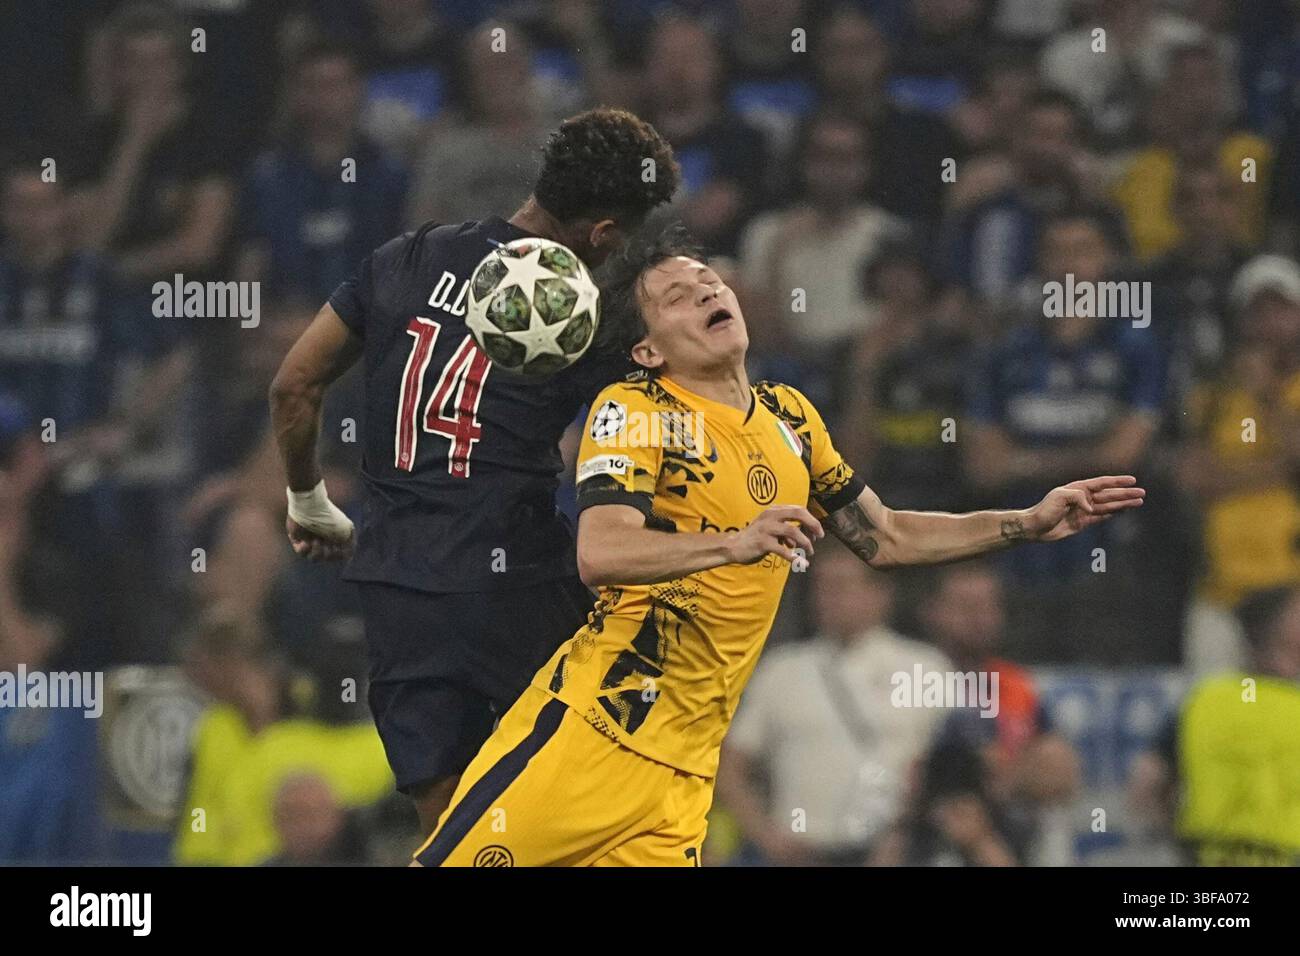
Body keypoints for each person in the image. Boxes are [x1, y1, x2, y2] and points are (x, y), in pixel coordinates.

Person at [412, 228, 1146, 867]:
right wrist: (732, 542)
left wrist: (1024, 520)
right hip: (595, 732)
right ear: (646, 348)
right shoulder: (635, 409)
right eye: (675, 297)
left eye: (707, 279)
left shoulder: (791, 417)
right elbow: (602, 551)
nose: (704, 292)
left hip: (683, 773)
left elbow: (884, 535)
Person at [268, 107, 679, 837]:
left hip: (398, 586)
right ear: (605, 234)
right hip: (514, 579)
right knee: (599, 792)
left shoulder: (406, 256)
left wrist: (307, 499)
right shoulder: (590, 313)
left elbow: (293, 385)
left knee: (451, 821)